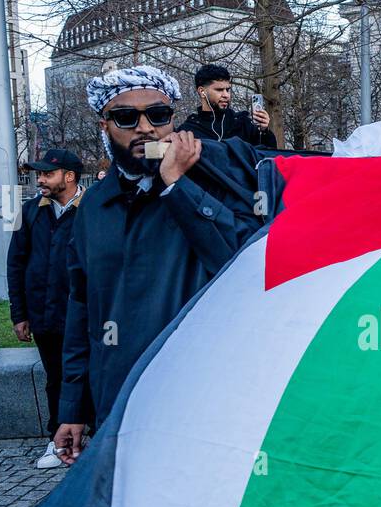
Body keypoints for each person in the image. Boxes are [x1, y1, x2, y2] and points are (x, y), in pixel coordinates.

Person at [54, 65, 261, 463]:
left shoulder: (211, 180)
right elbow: (81, 308)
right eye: (126, 117)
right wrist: (73, 408)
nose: (145, 128)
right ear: (105, 125)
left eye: (159, 115)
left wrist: (177, 186)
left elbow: (238, 263)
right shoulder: (93, 205)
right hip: (118, 396)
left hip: (197, 395)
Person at [8, 148, 84, 469]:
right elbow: (16, 263)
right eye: (38, 174)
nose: (39, 179)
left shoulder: (92, 209)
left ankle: (90, 435)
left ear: (69, 176)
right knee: (54, 378)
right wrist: (19, 314)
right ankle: (58, 439)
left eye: (47, 174)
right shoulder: (29, 211)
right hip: (44, 316)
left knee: (87, 376)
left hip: (83, 315)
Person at [176, 63, 277, 147]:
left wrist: (264, 131)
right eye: (219, 90)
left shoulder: (242, 124)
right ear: (202, 91)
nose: (226, 95)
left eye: (227, 90)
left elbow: (268, 156)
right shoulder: (188, 130)